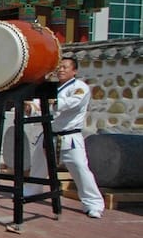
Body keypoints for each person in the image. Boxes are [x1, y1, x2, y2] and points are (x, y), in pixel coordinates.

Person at [25, 57, 105, 218]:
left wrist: (51, 102)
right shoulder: (50, 87)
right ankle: (32, 190)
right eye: (59, 67)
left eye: (65, 67)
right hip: (49, 134)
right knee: (38, 166)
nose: (61, 70)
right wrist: (29, 107)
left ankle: (93, 203)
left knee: (80, 169)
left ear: (74, 71)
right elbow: (38, 106)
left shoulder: (80, 87)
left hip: (70, 137)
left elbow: (71, 103)